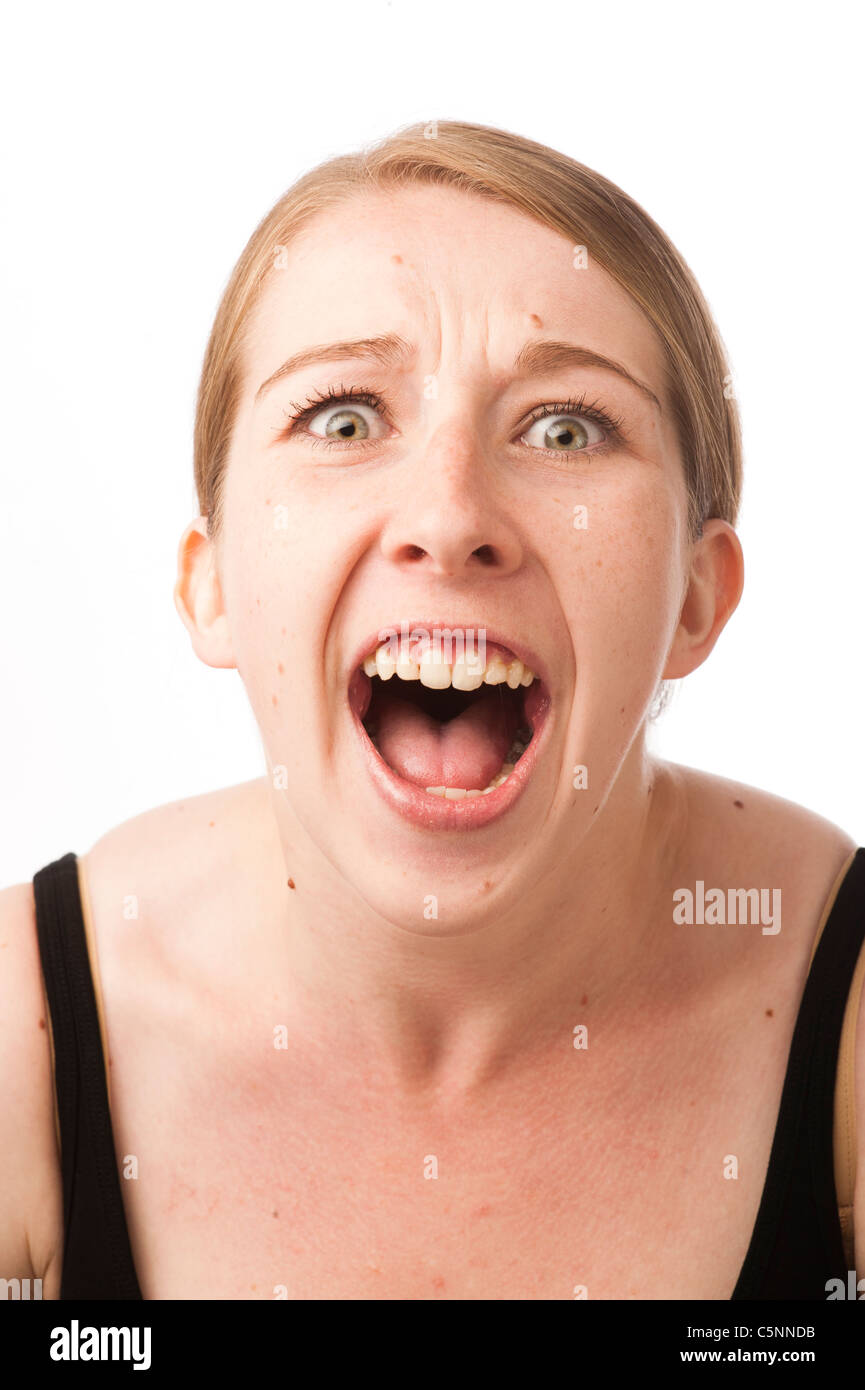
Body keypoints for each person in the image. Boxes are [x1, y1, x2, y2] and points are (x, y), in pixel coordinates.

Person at [2, 119, 862, 1301]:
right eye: (344, 418)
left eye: (566, 427)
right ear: (211, 584)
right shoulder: (21, 1039)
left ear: (696, 598)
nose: (450, 513)